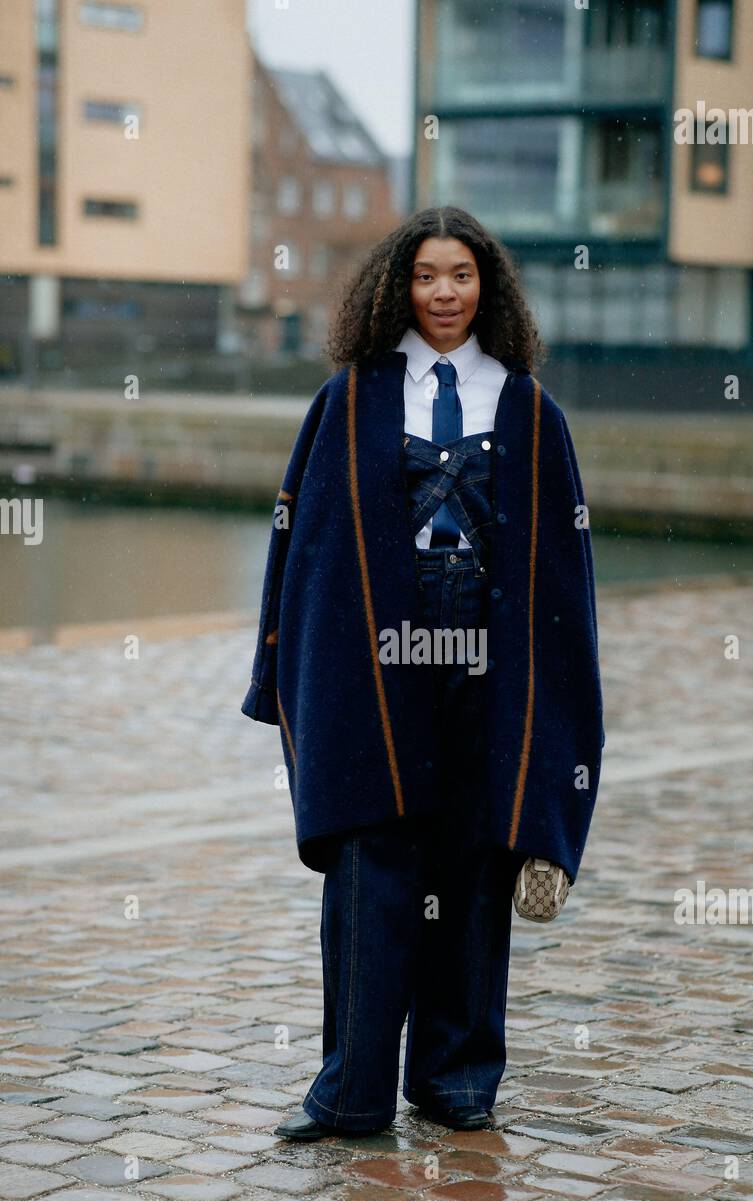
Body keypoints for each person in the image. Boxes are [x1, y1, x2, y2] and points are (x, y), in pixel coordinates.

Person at [241, 206, 604, 1140]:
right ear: (397, 286)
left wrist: (555, 709)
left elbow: (563, 580)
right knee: (370, 862)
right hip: (375, 669)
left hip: (486, 667)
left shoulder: (527, 410)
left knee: (476, 864)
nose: (444, 294)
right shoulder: (351, 401)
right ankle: (351, 1087)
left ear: (490, 289)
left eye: (463, 276)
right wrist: (284, 673)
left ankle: (454, 1077)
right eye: (426, 277)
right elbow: (306, 554)